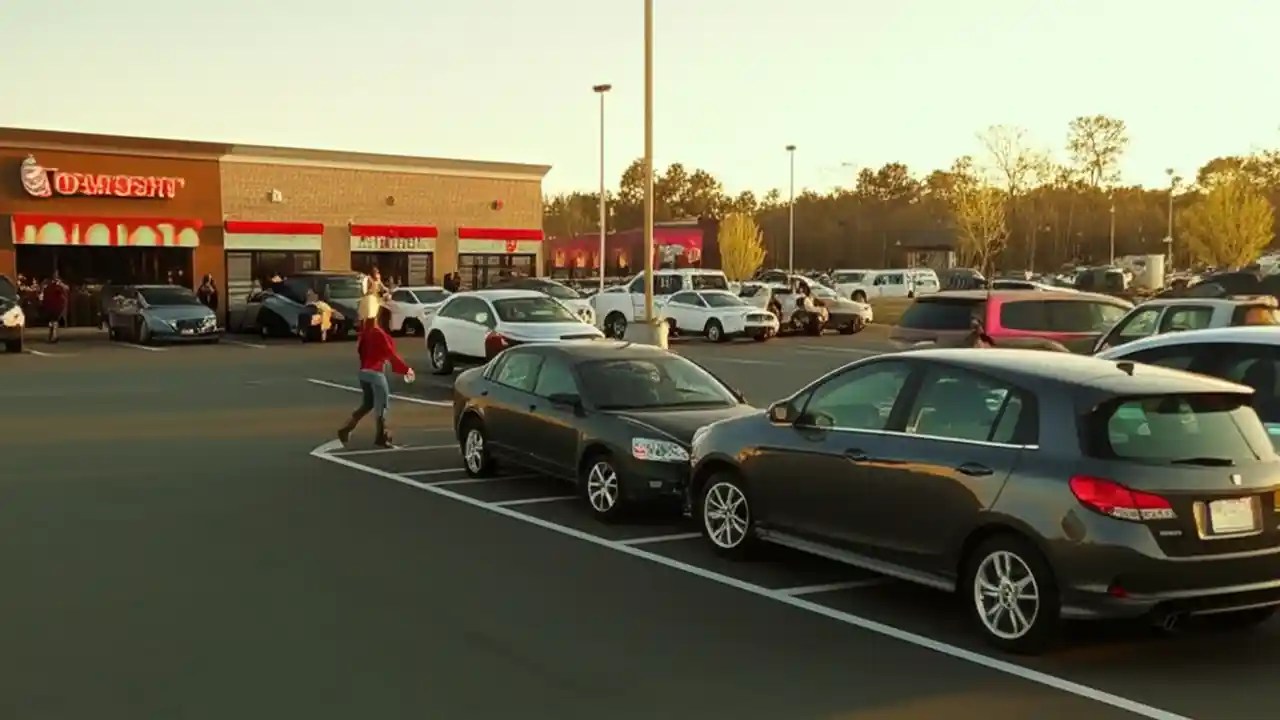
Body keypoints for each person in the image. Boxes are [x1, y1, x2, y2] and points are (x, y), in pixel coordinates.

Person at [337, 292, 414, 448]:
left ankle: (346, 428)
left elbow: (362, 352)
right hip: (375, 373)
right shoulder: (379, 333)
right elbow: (391, 354)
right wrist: (406, 369)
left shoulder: (365, 333)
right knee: (382, 405)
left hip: (363, 372)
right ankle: (381, 436)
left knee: (367, 404)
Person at [40, 273, 68, 343]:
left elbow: (43, 297)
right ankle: (54, 336)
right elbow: (64, 292)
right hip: (56, 306)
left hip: (50, 306)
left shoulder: (47, 287)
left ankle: (52, 335)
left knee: (52, 321)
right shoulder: (58, 287)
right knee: (55, 321)